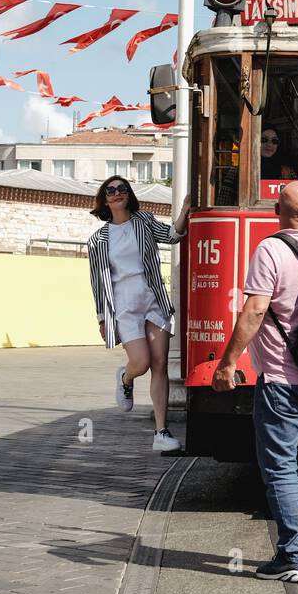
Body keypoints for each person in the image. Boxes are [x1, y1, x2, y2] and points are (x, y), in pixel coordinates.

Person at [212, 182, 298, 583]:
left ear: (276, 210)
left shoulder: (271, 249)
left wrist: (227, 362)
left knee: (281, 467)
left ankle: (292, 557)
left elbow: (254, 311)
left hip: (283, 378)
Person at [88, 176, 187, 453]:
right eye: (111, 190)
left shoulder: (144, 221)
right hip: (124, 305)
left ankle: (161, 432)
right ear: (105, 199)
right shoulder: (98, 240)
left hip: (153, 298)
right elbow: (97, 280)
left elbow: (173, 236)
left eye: (122, 189)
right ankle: (126, 379)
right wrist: (101, 317)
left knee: (159, 364)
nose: (117, 193)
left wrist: (186, 209)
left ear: (129, 194)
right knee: (140, 363)